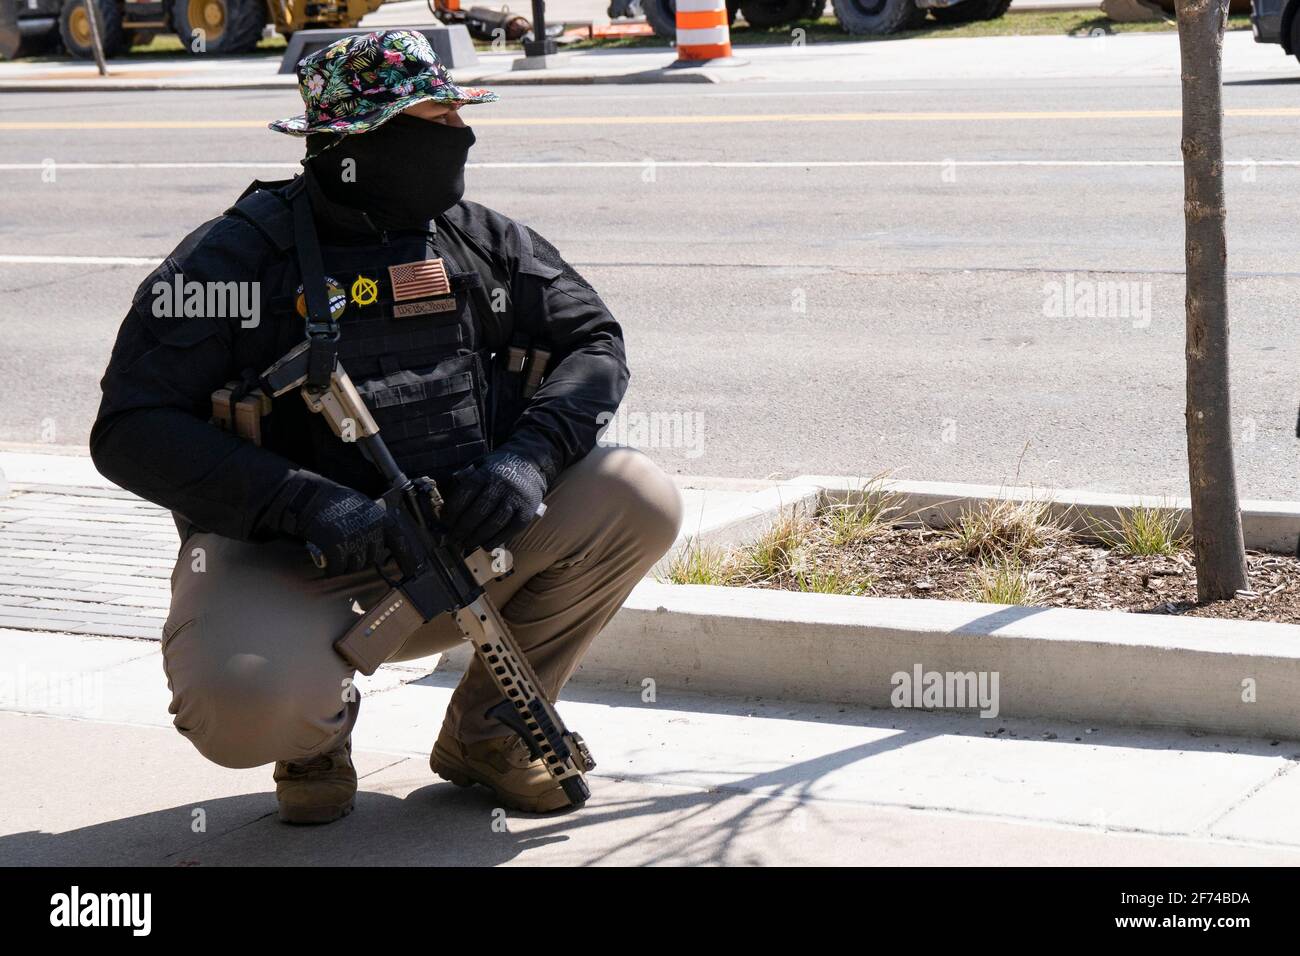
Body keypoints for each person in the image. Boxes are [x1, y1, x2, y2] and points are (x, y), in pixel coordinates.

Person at [90, 30, 682, 824]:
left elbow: (594, 343)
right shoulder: (232, 263)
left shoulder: (474, 238)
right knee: (242, 703)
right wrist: (309, 505)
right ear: (360, 146)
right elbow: (131, 427)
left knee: (636, 495)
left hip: (463, 544)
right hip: (297, 565)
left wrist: (528, 463)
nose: (459, 138)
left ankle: (491, 735)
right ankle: (310, 737)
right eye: (435, 123)